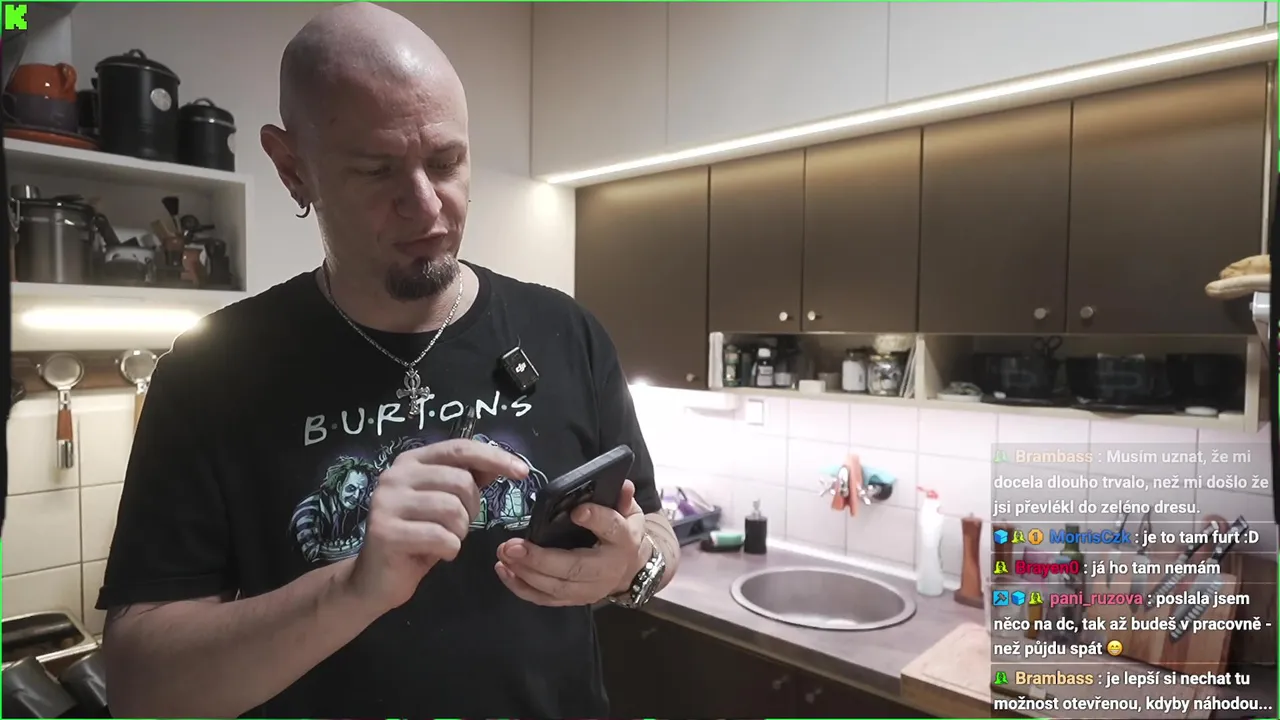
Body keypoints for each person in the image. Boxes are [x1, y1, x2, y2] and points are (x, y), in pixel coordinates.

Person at [95, 4, 679, 717]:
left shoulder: (567, 331)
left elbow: (655, 528)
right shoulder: (210, 373)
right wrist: (353, 589)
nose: (426, 205)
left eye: (447, 162)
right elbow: (142, 691)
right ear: (292, 168)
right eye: (377, 171)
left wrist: (632, 566)